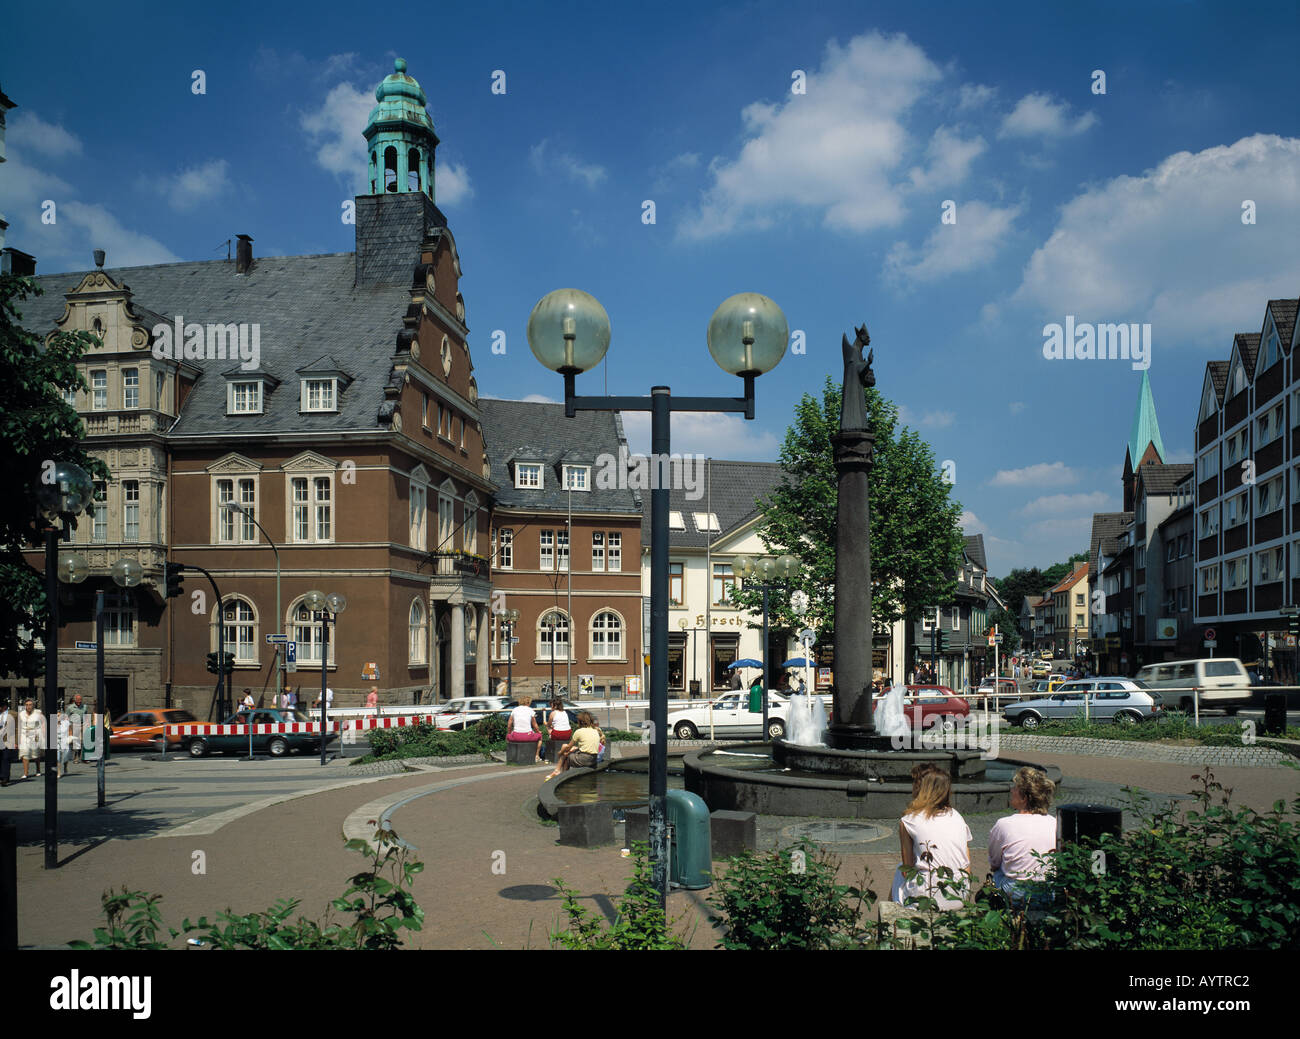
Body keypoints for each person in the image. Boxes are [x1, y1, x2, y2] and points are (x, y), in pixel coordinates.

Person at [890, 763, 972, 911]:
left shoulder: (909, 821)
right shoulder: (957, 817)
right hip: (958, 895)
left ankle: (888, 924)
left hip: (926, 899)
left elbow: (906, 870)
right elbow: (967, 866)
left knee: (898, 870)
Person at [987, 767, 1058, 908]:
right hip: (1048, 891)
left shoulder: (1004, 824)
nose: (1011, 791)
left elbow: (994, 863)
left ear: (1024, 797)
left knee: (998, 873)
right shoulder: (1054, 823)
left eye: (1015, 788)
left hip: (1017, 892)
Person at [547, 711, 602, 780]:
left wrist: (560, 752)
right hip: (593, 759)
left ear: (580, 722)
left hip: (584, 759)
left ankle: (563, 776)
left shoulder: (579, 731)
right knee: (569, 750)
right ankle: (559, 772)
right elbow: (588, 745)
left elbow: (568, 747)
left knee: (566, 755)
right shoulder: (595, 731)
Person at [506, 698, 544, 764]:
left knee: (508, 737)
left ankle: (511, 756)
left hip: (516, 735)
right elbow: (535, 725)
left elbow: (509, 724)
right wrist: (538, 732)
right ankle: (536, 755)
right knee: (540, 737)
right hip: (528, 735)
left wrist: (509, 733)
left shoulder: (514, 710)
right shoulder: (530, 710)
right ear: (528, 703)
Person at [19, 699, 44, 779]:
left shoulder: (38, 713)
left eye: (30, 704)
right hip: (24, 735)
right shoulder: (21, 714)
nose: (28, 706)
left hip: (35, 735)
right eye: (27, 704)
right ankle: (25, 773)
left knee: (35, 754)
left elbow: (43, 724)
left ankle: (38, 769)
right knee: (24, 753)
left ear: (33, 705)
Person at [546, 696, 572, 768]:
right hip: (568, 733)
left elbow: (549, 724)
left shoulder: (553, 713)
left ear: (555, 705)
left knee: (547, 727)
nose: (551, 707)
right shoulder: (564, 712)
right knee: (553, 729)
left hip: (558, 734)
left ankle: (551, 738)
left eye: (551, 705)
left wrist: (547, 725)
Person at [66, 693, 88, 764]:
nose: (79, 701)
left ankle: (83, 757)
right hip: (74, 725)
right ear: (75, 700)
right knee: (76, 742)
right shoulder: (70, 707)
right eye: (78, 700)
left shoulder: (84, 707)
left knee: (83, 742)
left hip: (83, 725)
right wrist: (69, 728)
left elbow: (86, 716)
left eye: (80, 700)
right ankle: (76, 757)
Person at [0, 700, 16, 787]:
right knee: (1, 759)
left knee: (6, 759)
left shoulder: (12, 715)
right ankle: (3, 776)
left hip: (8, 741)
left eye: (2, 706)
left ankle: (5, 778)